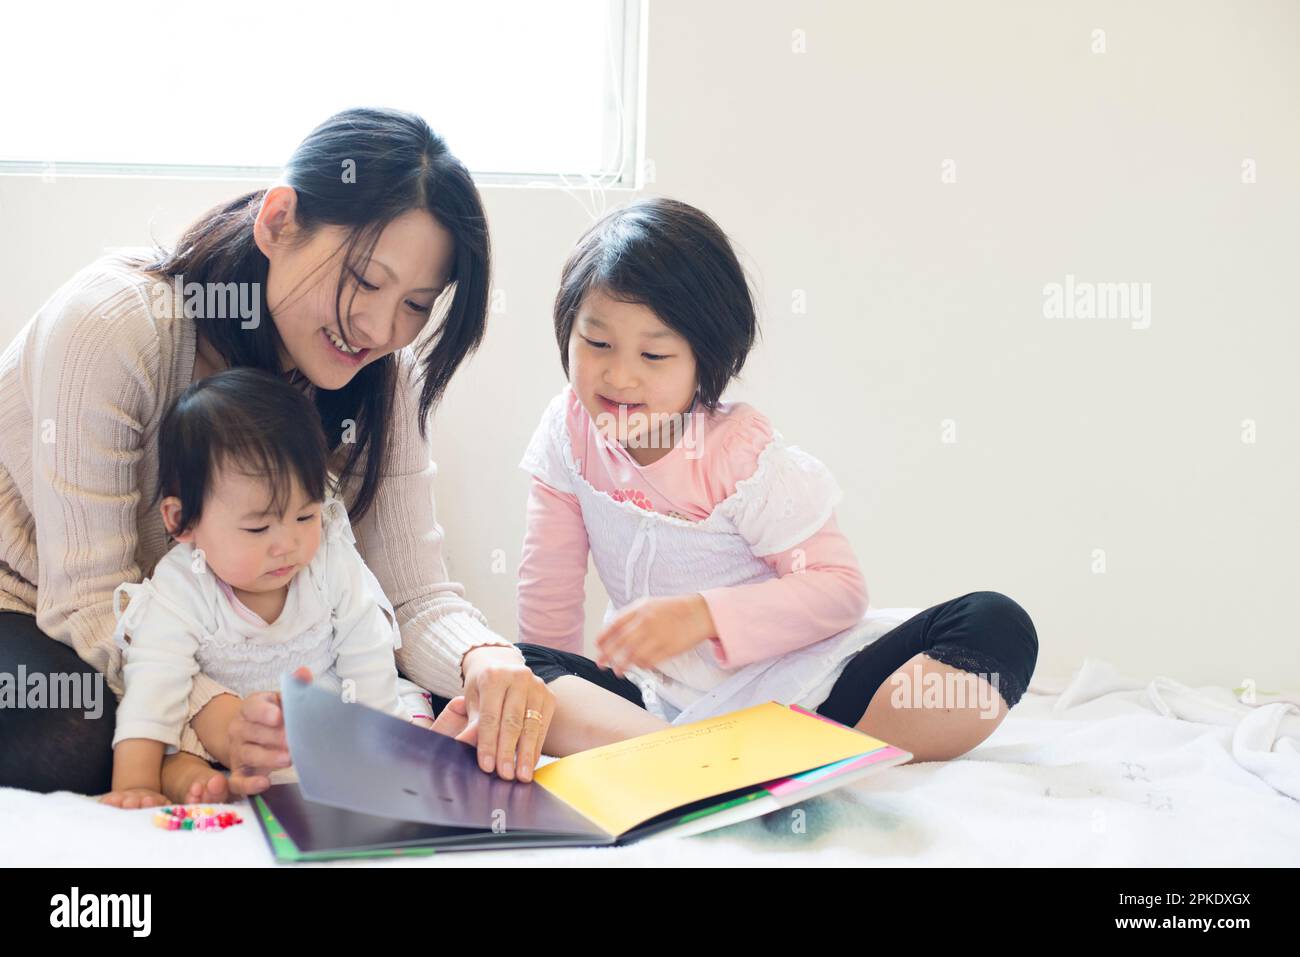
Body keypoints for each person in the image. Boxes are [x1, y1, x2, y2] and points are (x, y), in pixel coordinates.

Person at [0, 108, 553, 797]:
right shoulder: (116, 328)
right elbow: (86, 599)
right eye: (365, 279)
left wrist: (483, 656)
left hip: (220, 638)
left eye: (416, 303)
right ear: (277, 221)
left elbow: (412, 591)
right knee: (71, 729)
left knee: (514, 691)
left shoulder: (383, 371)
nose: (380, 328)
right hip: (32, 602)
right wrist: (221, 716)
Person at [501, 197, 1039, 763]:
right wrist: (545, 692)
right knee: (515, 665)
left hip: (804, 690)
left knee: (993, 624)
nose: (620, 374)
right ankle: (694, 762)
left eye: (654, 354)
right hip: (651, 709)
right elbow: (548, 589)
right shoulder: (569, 431)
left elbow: (839, 590)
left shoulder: (741, 455)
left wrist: (702, 615)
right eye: (597, 343)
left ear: (705, 361)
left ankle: (821, 759)